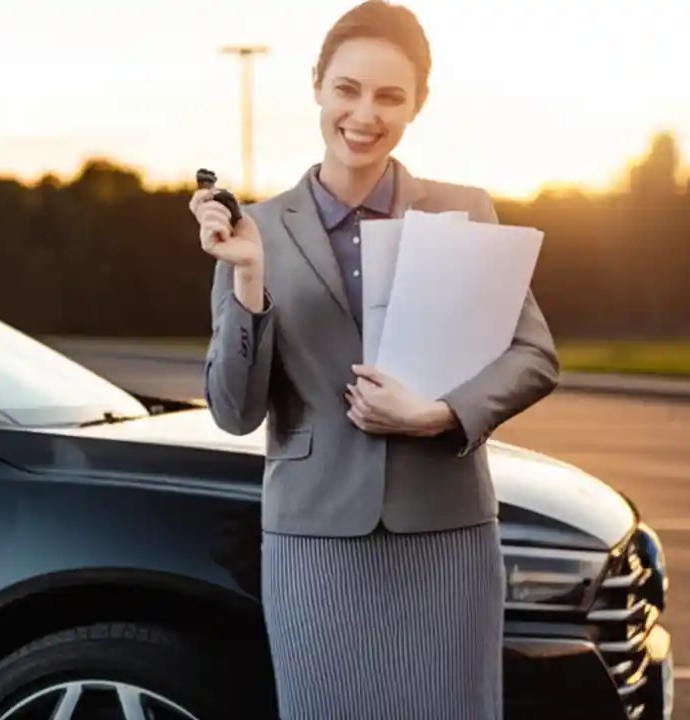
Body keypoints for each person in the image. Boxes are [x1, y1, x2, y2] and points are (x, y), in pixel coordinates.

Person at [188, 1, 561, 718]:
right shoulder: (253, 229)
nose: (365, 114)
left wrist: (440, 414)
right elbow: (235, 413)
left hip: (445, 532)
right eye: (348, 89)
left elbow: (534, 354)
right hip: (315, 537)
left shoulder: (464, 210)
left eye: (390, 95)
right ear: (318, 87)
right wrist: (247, 279)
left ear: (418, 104)